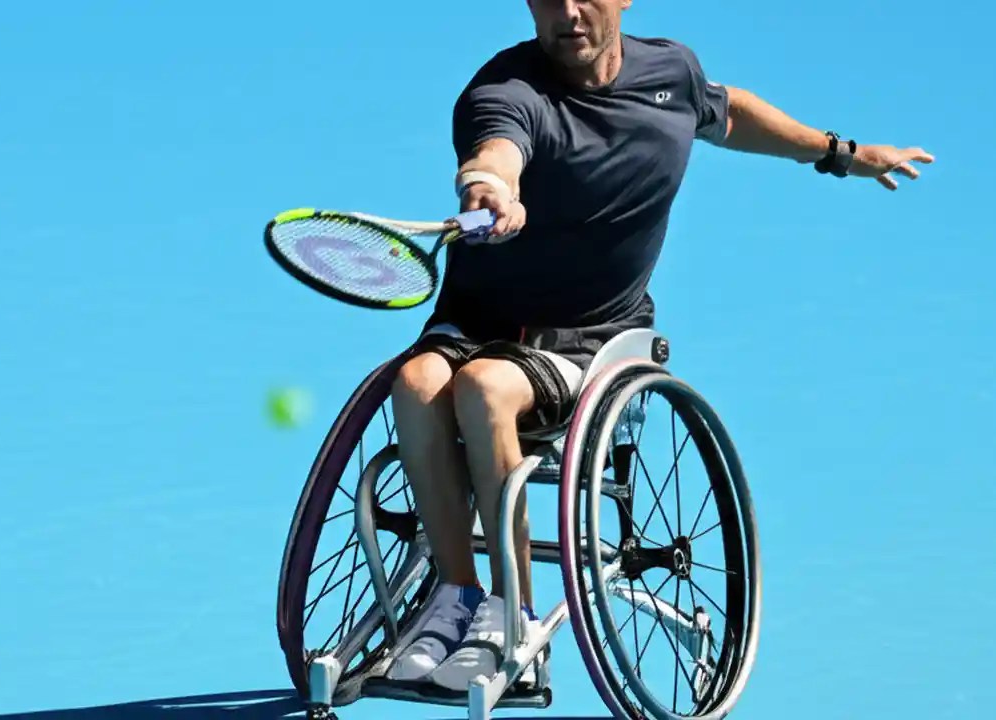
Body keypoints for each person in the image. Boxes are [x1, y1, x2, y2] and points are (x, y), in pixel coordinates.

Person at [384, 0, 934, 692]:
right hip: (476, 318)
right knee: (416, 383)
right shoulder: (504, 89)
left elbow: (728, 113)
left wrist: (838, 153)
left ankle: (511, 613)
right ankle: (455, 598)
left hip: (589, 342)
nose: (569, 12)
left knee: (485, 387)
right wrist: (491, 188)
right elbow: (495, 152)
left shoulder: (670, 74)